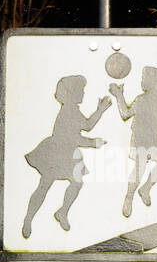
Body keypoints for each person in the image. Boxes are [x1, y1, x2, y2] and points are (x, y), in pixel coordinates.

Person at [22, 75, 111, 237]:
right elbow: (81, 133)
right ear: (72, 93)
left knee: (75, 183)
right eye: (81, 90)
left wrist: (99, 111)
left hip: (68, 153)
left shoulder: (73, 110)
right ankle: (29, 219)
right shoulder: (68, 111)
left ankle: (62, 212)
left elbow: (86, 126)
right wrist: (93, 142)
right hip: (56, 152)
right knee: (45, 186)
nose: (83, 93)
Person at [108, 65, 157, 218]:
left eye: (144, 78)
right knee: (139, 168)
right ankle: (129, 197)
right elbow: (125, 114)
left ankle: (145, 188)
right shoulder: (140, 99)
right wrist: (118, 96)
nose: (142, 81)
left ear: (155, 81)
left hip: (155, 137)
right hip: (140, 137)